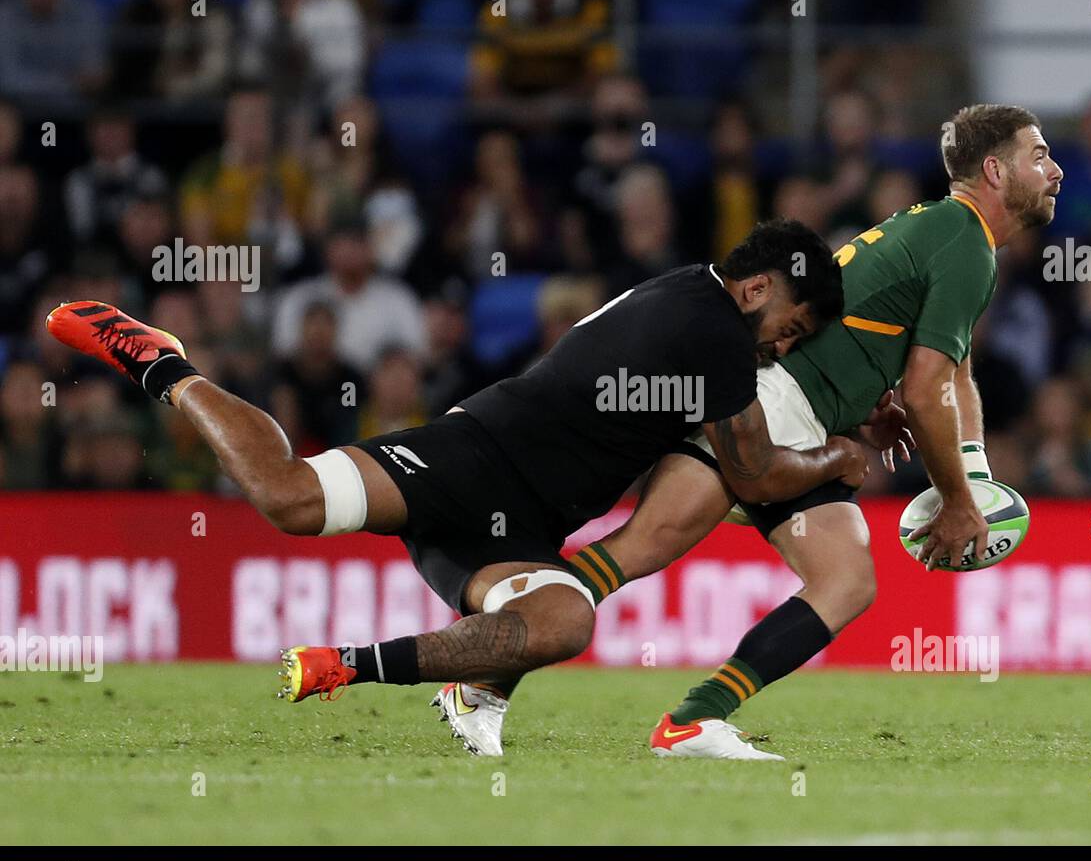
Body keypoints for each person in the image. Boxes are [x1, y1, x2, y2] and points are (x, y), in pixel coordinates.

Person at [45, 220, 859, 756]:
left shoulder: (689, 296)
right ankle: (163, 361)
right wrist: (838, 460)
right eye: (793, 323)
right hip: (472, 454)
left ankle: (409, 681)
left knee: (563, 619)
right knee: (289, 498)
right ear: (758, 288)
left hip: (521, 526)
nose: (787, 343)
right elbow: (753, 473)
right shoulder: (717, 333)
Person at [433, 104, 1065, 760]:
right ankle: (477, 674)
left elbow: (943, 369)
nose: (1055, 169)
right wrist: (960, 502)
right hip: (766, 400)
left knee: (843, 579)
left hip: (804, 414)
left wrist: (966, 464)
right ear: (994, 169)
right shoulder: (963, 241)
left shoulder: (950, 234)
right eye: (1040, 155)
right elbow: (929, 387)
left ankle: (693, 719)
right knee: (636, 548)